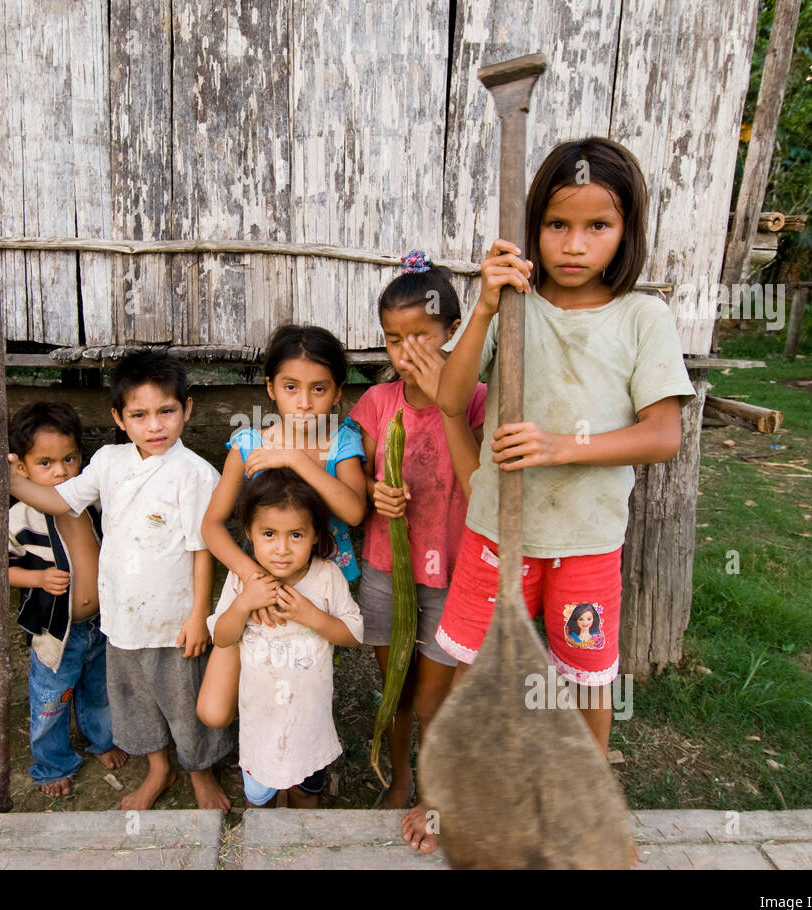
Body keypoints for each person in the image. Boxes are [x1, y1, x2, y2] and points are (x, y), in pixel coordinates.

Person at [422, 137, 696, 851]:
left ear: (627, 231)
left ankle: (583, 796)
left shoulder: (643, 319)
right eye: (556, 225)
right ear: (533, 228)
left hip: (586, 545)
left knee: (586, 679)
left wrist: (562, 447)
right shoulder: (513, 306)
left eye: (597, 227)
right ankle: (454, 798)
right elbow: (450, 398)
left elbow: (663, 432)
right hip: (496, 538)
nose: (574, 245)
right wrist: (482, 308)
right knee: (473, 670)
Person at [0, 350, 232, 811]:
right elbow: (59, 500)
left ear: (187, 409)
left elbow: (203, 551)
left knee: (184, 701)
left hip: (174, 618)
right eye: (139, 414)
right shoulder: (108, 462)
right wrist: (7, 480)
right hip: (120, 618)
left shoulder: (195, 474)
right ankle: (159, 768)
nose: (154, 426)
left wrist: (199, 616)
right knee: (134, 702)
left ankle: (201, 772)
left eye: (166, 412)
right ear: (119, 417)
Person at [349, 250, 487, 823]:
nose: (406, 353)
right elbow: (353, 482)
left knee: (436, 699)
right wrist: (374, 494)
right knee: (398, 690)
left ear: (452, 332)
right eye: (392, 339)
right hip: (386, 569)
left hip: (452, 577)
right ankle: (401, 778)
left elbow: (482, 489)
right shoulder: (377, 403)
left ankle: (435, 789)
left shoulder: (477, 398)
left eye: (420, 338)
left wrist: (449, 406)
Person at [197, 324, 366, 730]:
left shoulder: (342, 442)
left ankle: (298, 756)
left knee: (300, 681)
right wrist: (252, 578)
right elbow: (212, 526)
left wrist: (294, 458)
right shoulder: (249, 444)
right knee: (214, 711)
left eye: (319, 389)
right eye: (291, 387)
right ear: (271, 388)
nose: (304, 403)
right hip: (255, 581)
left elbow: (355, 510)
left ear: (339, 391)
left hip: (318, 584)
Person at [207, 469, 363, 807]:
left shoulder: (326, 577)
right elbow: (221, 637)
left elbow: (353, 635)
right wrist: (243, 604)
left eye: (295, 535)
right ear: (249, 532)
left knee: (307, 798)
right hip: (259, 721)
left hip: (309, 722)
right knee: (259, 802)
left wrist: (314, 617)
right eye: (268, 533)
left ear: (315, 535)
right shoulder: (241, 581)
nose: (281, 549)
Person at [5, 401, 128, 797]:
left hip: (101, 625)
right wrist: (36, 577)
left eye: (70, 458)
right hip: (55, 633)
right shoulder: (21, 517)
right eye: (46, 463)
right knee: (50, 700)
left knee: (100, 690)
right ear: (20, 468)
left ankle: (102, 740)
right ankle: (53, 763)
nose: (61, 471)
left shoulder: (89, 504)